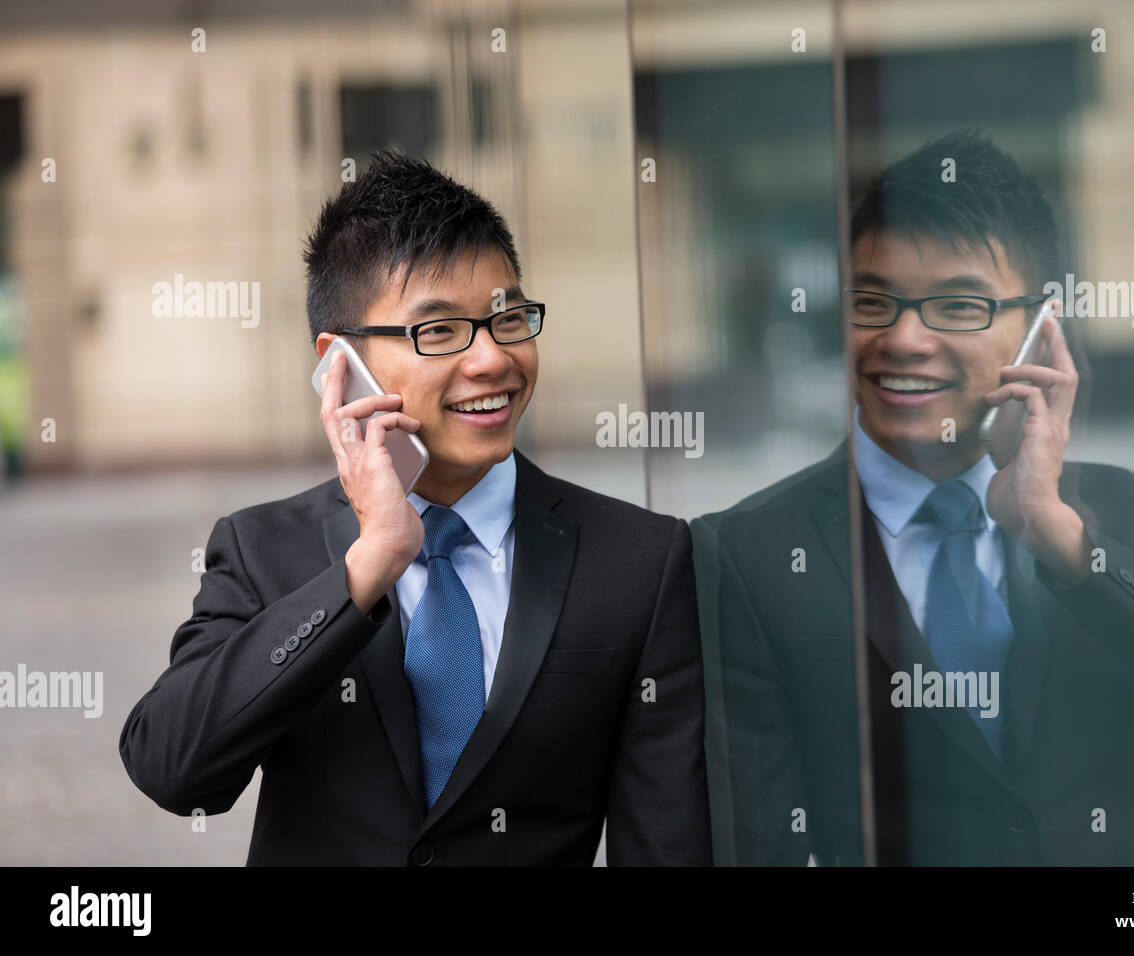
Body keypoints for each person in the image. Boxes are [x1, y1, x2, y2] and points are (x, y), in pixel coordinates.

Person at [693, 128, 1134, 865]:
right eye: (873, 301)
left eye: (958, 306)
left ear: (1042, 330)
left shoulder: (1111, 507)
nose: (904, 339)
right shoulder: (747, 553)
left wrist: (1062, 540)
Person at [120, 150, 711, 866]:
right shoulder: (263, 548)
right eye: (438, 332)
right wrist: (368, 565)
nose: (492, 359)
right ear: (340, 362)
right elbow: (173, 769)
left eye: (508, 318)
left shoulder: (639, 561)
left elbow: (667, 843)